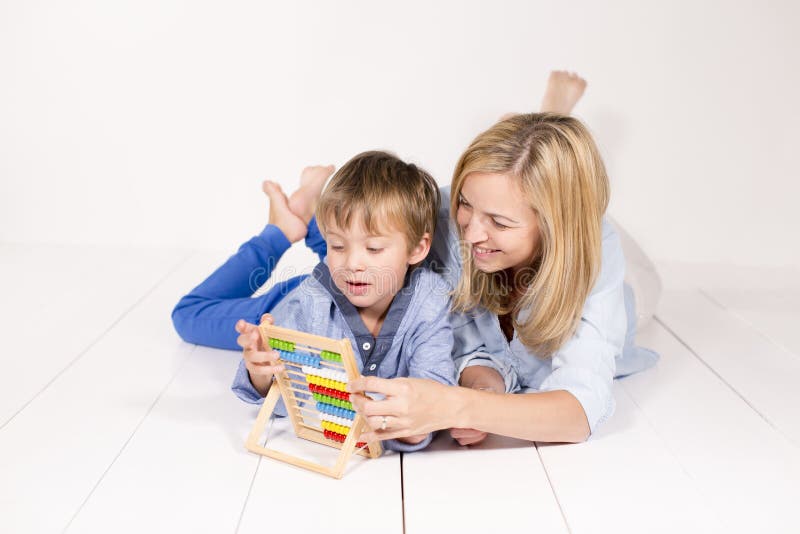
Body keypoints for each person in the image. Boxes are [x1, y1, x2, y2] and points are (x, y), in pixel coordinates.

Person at [345, 72, 659, 445]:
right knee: (515, 169)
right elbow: (354, 241)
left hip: (625, 285)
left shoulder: (595, 250)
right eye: (466, 202)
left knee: (647, 293)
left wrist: (458, 405)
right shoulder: (442, 213)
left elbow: (579, 413)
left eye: (498, 221)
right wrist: (484, 387)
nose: (471, 233)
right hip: (533, 201)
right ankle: (536, 132)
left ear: (551, 227)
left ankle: (550, 119)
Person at [172, 151, 456, 451]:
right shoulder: (307, 303)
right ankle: (281, 230)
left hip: (359, 286)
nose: (355, 262)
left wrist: (409, 428)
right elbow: (288, 390)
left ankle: (313, 216)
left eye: (374, 248)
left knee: (353, 255)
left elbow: (436, 391)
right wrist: (260, 371)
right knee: (188, 316)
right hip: (301, 296)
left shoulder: (429, 301)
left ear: (418, 249)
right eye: (335, 244)